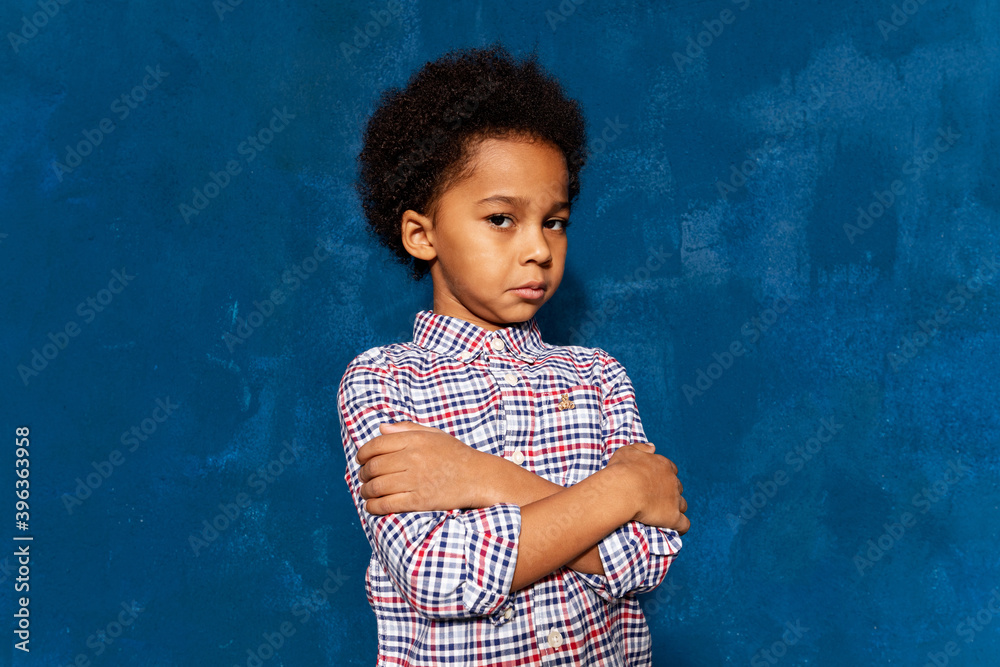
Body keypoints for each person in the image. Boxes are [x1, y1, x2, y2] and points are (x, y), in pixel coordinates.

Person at [338, 42, 689, 666]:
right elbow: (440, 577)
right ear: (423, 235)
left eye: (555, 221)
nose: (538, 248)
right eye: (502, 219)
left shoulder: (600, 377)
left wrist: (476, 477)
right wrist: (624, 489)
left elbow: (647, 560)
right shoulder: (382, 380)